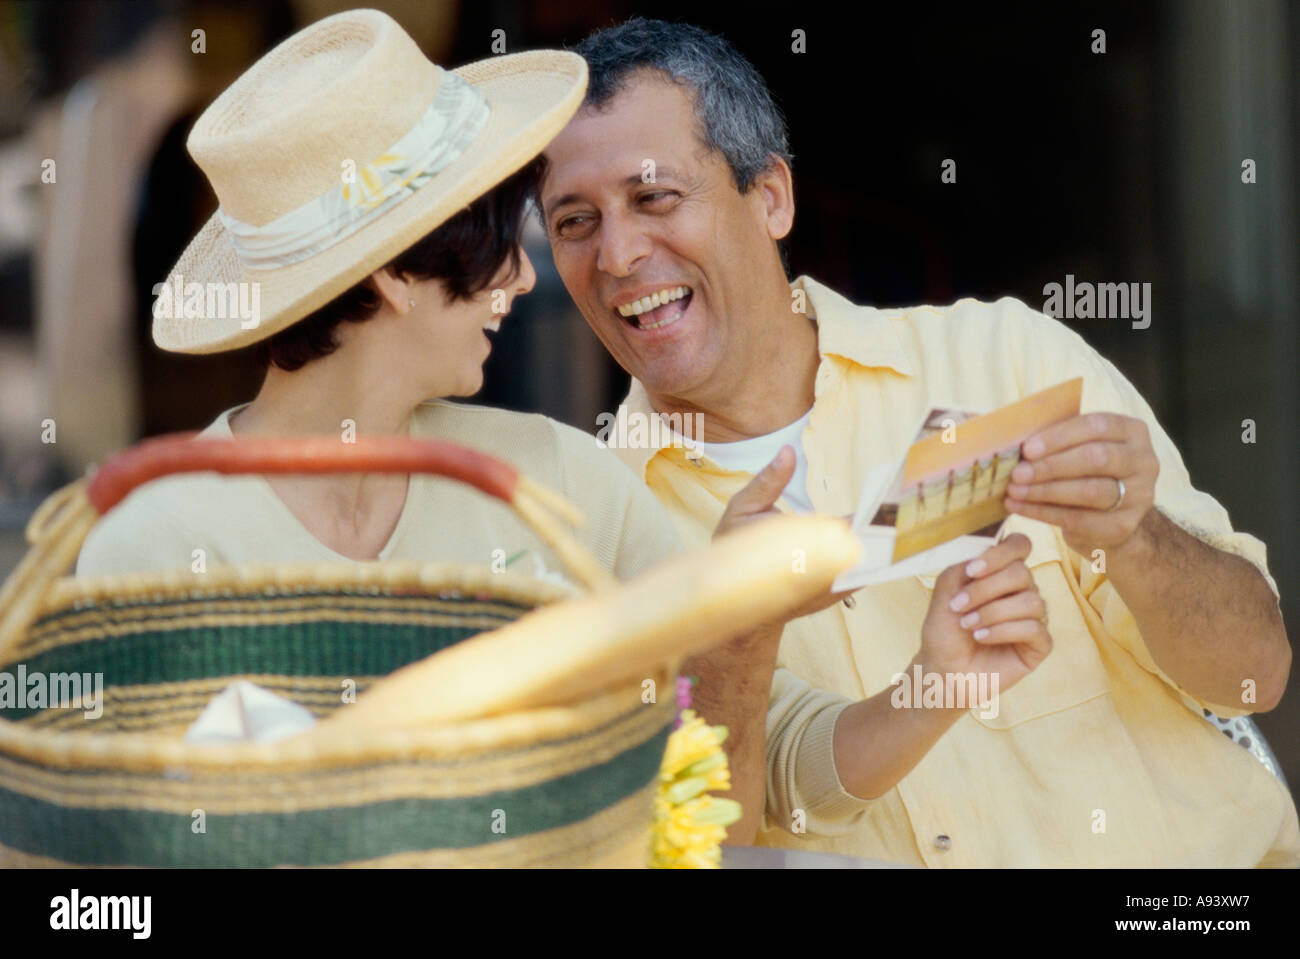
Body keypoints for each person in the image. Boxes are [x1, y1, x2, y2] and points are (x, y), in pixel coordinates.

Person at [536, 17, 1298, 866]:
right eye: (574, 222)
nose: (618, 253)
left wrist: (1138, 538)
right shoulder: (589, 525)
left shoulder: (1007, 357)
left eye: (654, 198)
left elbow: (1252, 675)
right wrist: (741, 637)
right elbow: (712, 839)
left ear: (771, 197)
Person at [75, 9, 682, 586]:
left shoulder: (562, 481)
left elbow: (749, 686)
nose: (525, 277)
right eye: (503, 240)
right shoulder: (156, 547)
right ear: (394, 273)